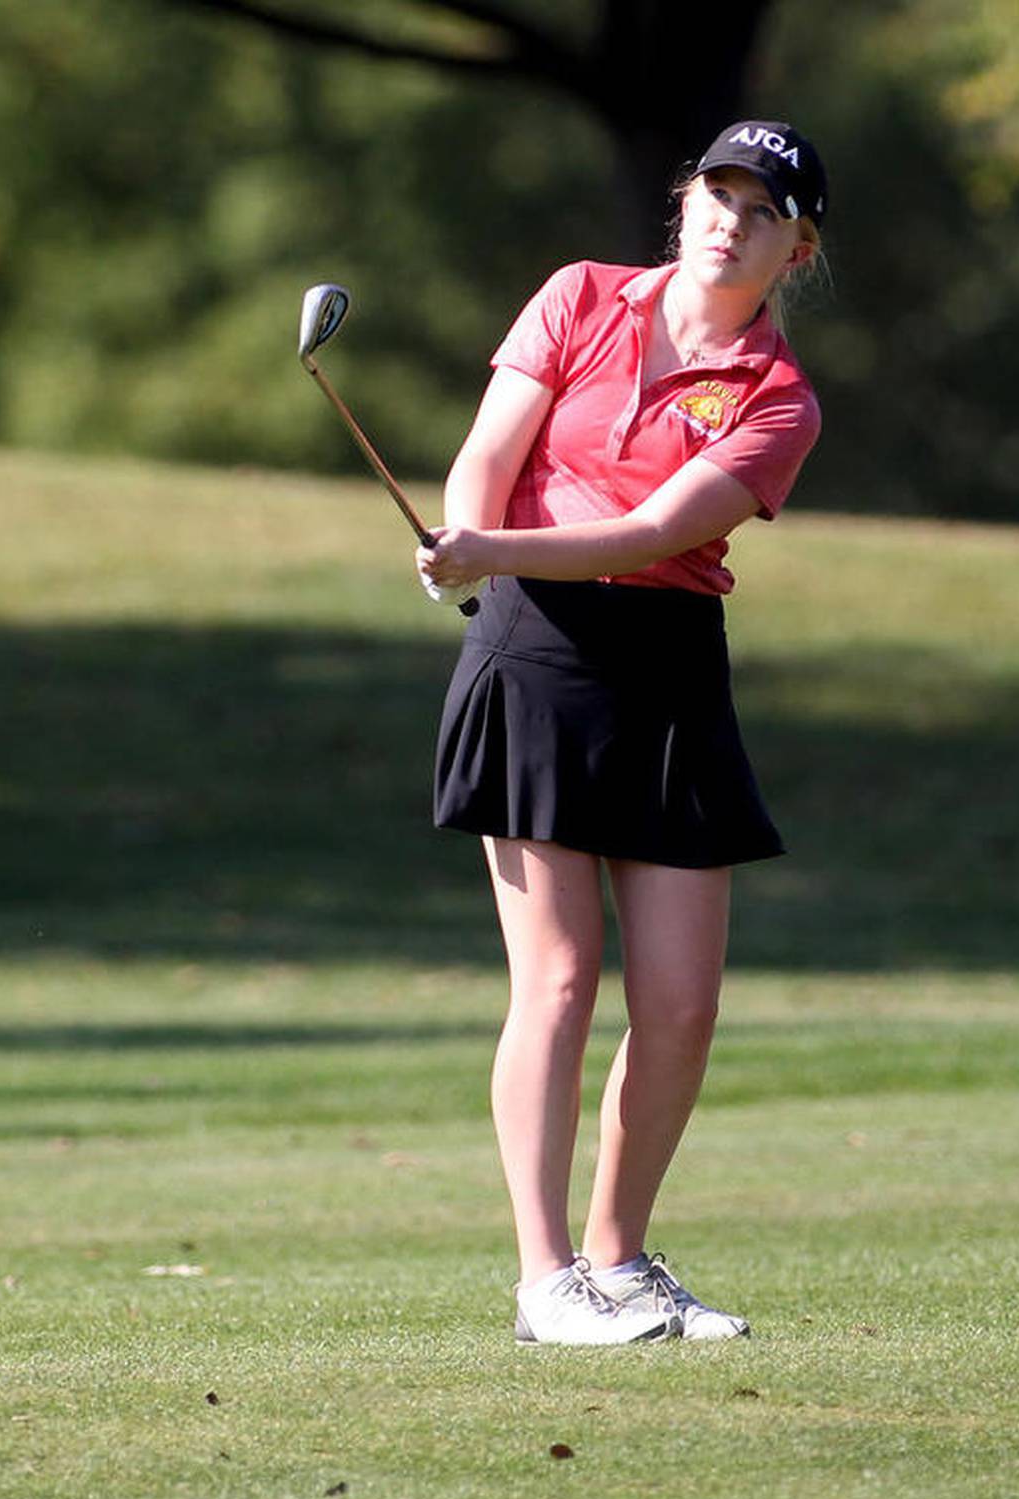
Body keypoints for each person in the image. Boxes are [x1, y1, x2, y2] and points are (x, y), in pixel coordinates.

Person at [416, 120, 829, 1346]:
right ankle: (545, 1279)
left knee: (682, 1004)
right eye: (717, 194)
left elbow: (655, 531)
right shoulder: (580, 297)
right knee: (556, 980)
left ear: (798, 250)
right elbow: (486, 456)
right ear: (685, 200)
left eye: (762, 211)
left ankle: (620, 1259)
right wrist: (472, 553)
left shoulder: (779, 399)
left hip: (668, 669)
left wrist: (490, 546)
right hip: (535, 646)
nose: (730, 221)